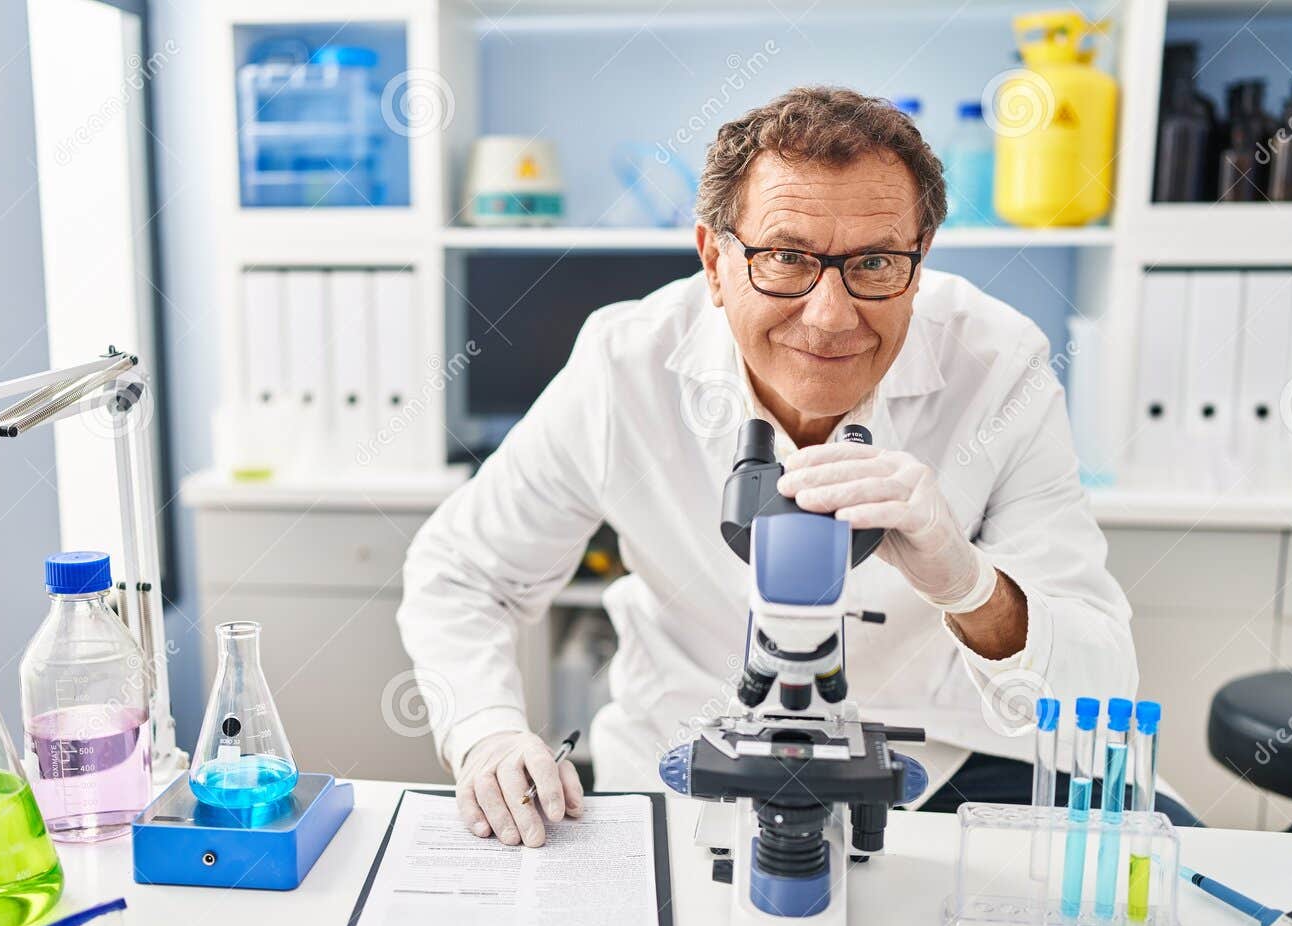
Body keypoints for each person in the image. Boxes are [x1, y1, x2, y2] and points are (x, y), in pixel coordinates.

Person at [399, 86, 1197, 847]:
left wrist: (970, 586)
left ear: (921, 260)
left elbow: (1102, 687)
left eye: (878, 263)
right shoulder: (626, 364)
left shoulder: (999, 366)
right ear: (714, 261)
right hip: (690, 762)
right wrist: (485, 731)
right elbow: (464, 573)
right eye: (785, 257)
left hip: (937, 766)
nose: (830, 315)